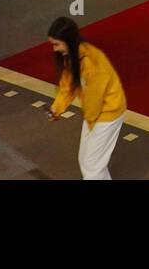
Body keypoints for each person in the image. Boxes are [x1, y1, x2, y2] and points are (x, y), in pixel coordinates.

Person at [47, 17, 127, 180]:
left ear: (68, 41)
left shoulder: (91, 61)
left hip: (108, 113)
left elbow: (94, 99)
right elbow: (67, 85)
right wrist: (57, 108)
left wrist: (91, 122)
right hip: (94, 113)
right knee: (87, 161)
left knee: (91, 165)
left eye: (57, 44)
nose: (55, 49)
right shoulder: (72, 56)